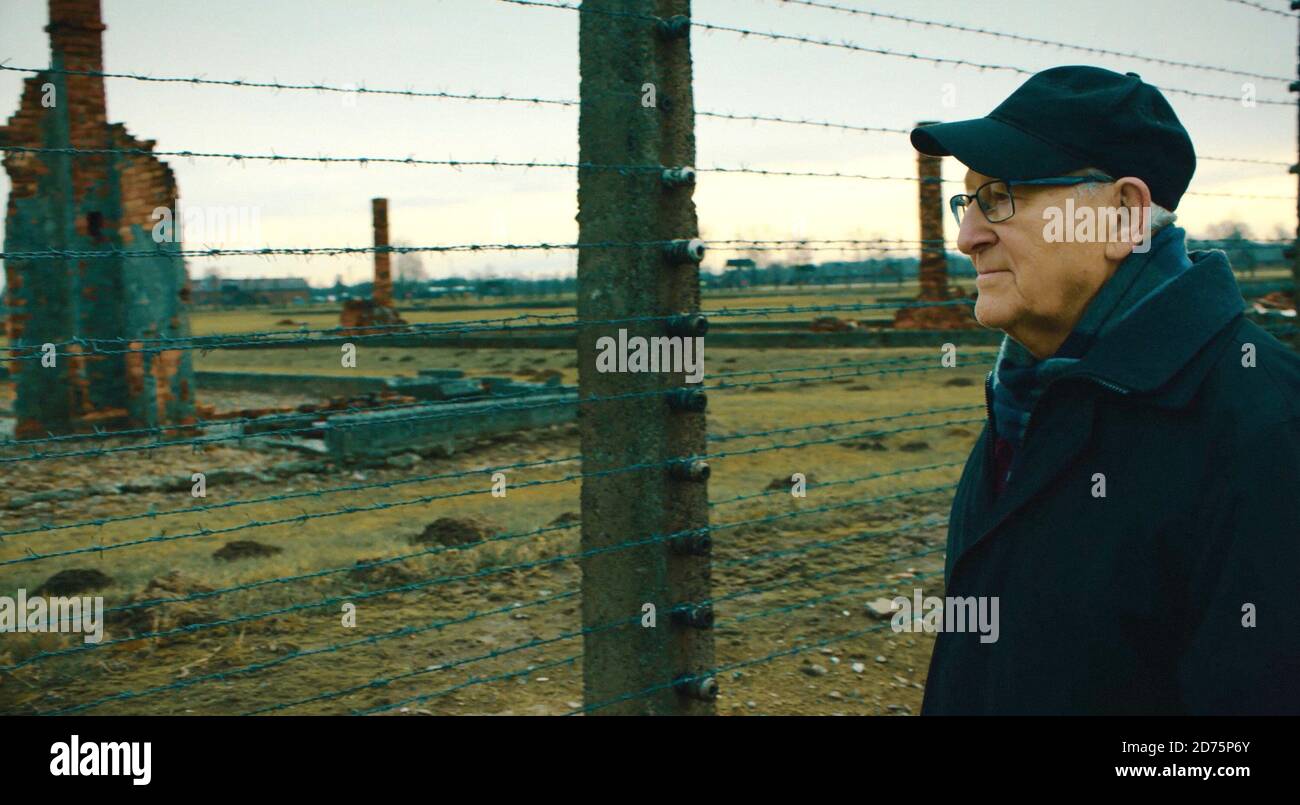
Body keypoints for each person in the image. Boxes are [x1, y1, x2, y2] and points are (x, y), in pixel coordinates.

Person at [910, 65, 1300, 715]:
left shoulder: (1265, 433)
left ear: (1122, 215)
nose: (967, 237)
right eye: (967, 200)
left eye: (1000, 196)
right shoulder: (1029, 396)